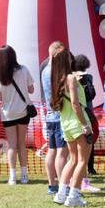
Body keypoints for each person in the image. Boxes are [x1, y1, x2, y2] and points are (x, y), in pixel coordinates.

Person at [50, 47, 92, 208]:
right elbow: (75, 104)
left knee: (73, 159)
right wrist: (85, 125)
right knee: (82, 161)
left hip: (65, 123)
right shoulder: (70, 78)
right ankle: (73, 195)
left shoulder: (57, 79)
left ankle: (61, 194)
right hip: (77, 122)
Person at [0, 45, 34, 185]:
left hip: (7, 113)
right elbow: (31, 89)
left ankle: (12, 177)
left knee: (11, 145)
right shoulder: (23, 70)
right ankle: (24, 176)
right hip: (23, 111)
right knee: (22, 143)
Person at [39, 42, 66, 196]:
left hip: (50, 115)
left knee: (52, 151)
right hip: (60, 115)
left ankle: (52, 185)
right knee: (62, 153)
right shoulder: (57, 71)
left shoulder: (44, 70)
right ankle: (63, 187)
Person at [72, 53, 102, 190]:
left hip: (77, 112)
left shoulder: (71, 78)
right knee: (90, 140)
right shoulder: (88, 77)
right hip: (88, 110)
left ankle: (81, 168)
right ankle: (90, 167)